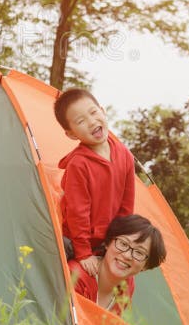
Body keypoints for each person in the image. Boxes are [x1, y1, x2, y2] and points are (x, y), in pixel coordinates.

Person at [54, 87, 136, 278]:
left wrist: (117, 245)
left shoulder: (124, 154)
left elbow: (126, 207)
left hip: (104, 242)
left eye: (93, 113)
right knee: (54, 265)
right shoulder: (79, 165)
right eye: (81, 121)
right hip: (74, 240)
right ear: (71, 134)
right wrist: (83, 253)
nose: (91, 122)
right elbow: (77, 212)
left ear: (102, 110)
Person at [68, 214, 166, 315]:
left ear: (146, 265)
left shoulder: (127, 286)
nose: (127, 255)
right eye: (123, 244)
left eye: (139, 252)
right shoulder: (75, 275)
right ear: (108, 242)